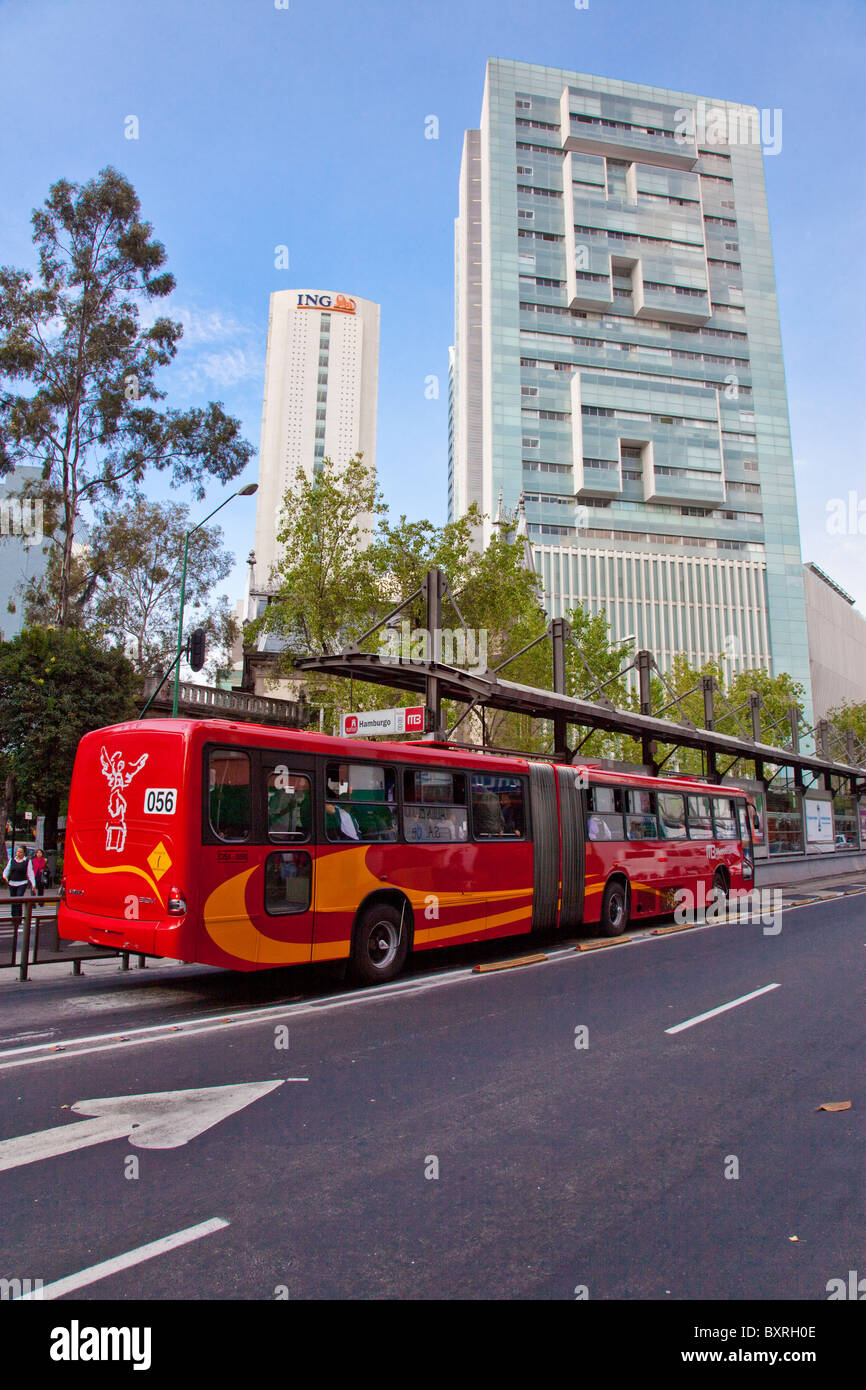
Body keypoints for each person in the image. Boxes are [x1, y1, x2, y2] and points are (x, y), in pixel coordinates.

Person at [3, 845, 36, 925]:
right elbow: (6, 870)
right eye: (18, 852)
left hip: (22, 883)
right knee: (13, 901)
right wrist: (5, 876)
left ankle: (19, 918)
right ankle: (14, 918)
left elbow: (30, 873)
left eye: (21, 852)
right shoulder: (12, 860)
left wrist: (33, 884)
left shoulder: (27, 861)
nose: (19, 853)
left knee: (18, 900)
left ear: (24, 853)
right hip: (12, 883)